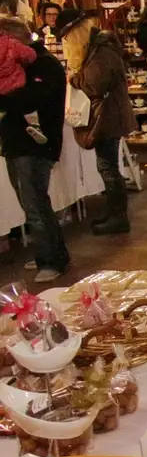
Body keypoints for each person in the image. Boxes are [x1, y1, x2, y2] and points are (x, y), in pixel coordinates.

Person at [0, 17, 68, 282]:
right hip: (17, 144)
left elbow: (32, 99)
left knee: (36, 204)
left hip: (36, 145)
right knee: (32, 204)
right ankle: (48, 252)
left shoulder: (44, 65)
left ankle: (52, 260)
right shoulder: (20, 65)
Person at [61, 11, 136, 235]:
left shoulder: (100, 50)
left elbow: (95, 84)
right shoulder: (100, 47)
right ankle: (114, 212)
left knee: (108, 167)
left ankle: (118, 217)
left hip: (109, 116)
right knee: (107, 166)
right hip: (109, 114)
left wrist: (74, 79)